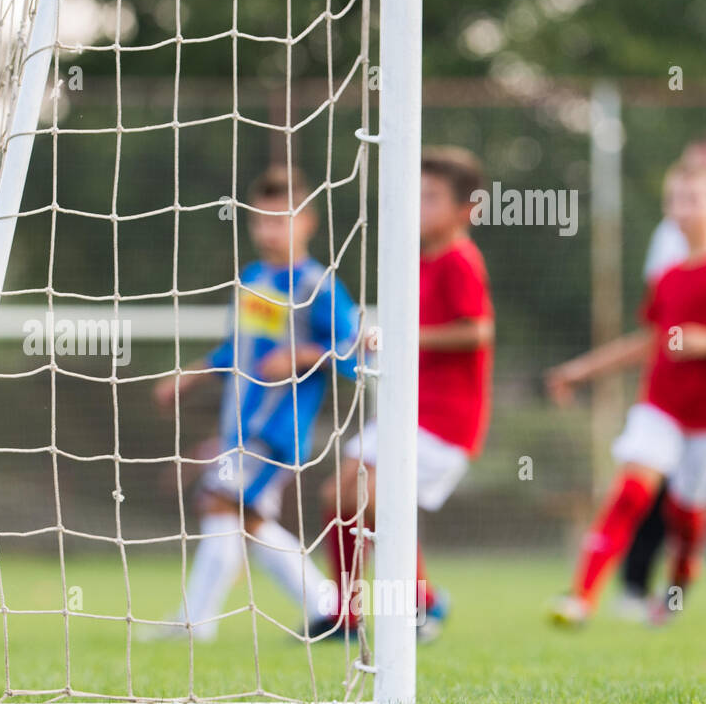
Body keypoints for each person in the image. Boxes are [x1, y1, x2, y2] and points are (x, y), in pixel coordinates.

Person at [150, 165, 360, 640]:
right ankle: (333, 611)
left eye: (280, 220)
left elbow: (354, 351)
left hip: (278, 428)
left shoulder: (317, 286)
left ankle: (193, 623)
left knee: (221, 500)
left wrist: (303, 354)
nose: (269, 231)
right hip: (238, 424)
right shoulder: (253, 279)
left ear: (307, 221)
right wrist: (193, 373)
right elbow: (239, 349)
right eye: (260, 220)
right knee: (250, 521)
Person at [311, 146, 495, 643]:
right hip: (407, 411)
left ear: (467, 210)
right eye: (416, 195)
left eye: (432, 197)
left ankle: (420, 605)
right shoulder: (419, 263)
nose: (419, 205)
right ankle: (351, 614)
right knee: (341, 492)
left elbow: (476, 331)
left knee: (370, 491)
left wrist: (404, 337)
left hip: (446, 419)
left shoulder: (459, 259)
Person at [547, 161, 706, 626]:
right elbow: (650, 340)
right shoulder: (667, 277)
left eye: (693, 199)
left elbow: (702, 337)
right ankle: (580, 598)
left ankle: (677, 590)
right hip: (661, 404)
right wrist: (582, 370)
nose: (682, 210)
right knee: (630, 490)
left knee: (685, 517)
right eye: (674, 200)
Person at [617, 139, 706, 615]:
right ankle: (635, 587)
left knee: (688, 501)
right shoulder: (669, 241)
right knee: (654, 487)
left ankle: (679, 577)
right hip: (680, 393)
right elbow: (662, 323)